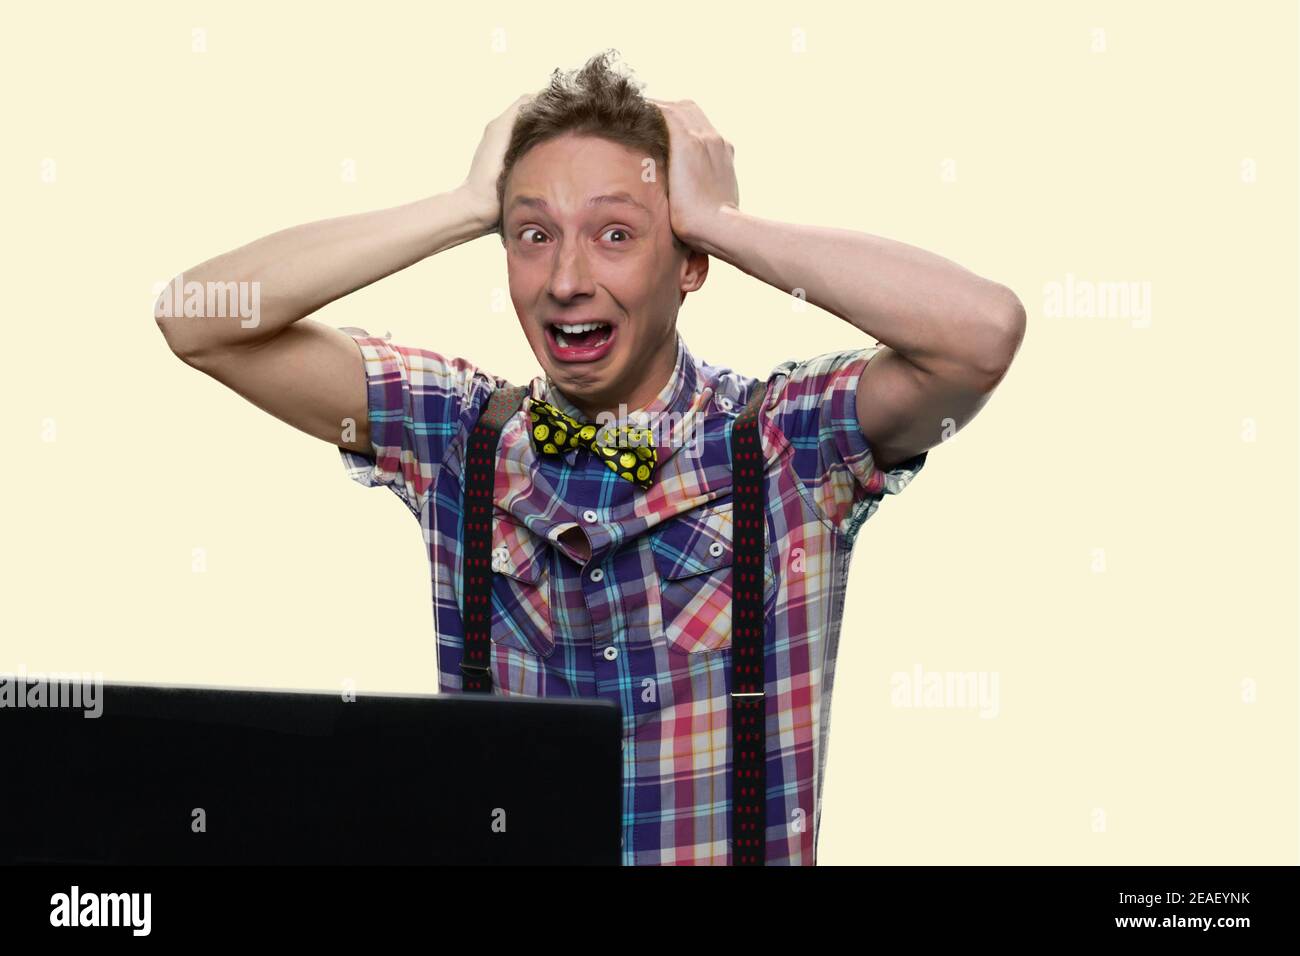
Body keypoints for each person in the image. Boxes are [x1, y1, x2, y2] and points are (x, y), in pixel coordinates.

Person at [155, 49, 1025, 865]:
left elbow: (978, 336)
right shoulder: (457, 437)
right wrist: (464, 203)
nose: (566, 279)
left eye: (615, 235)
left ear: (691, 263)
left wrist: (719, 219)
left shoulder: (787, 446)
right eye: (534, 236)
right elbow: (197, 316)